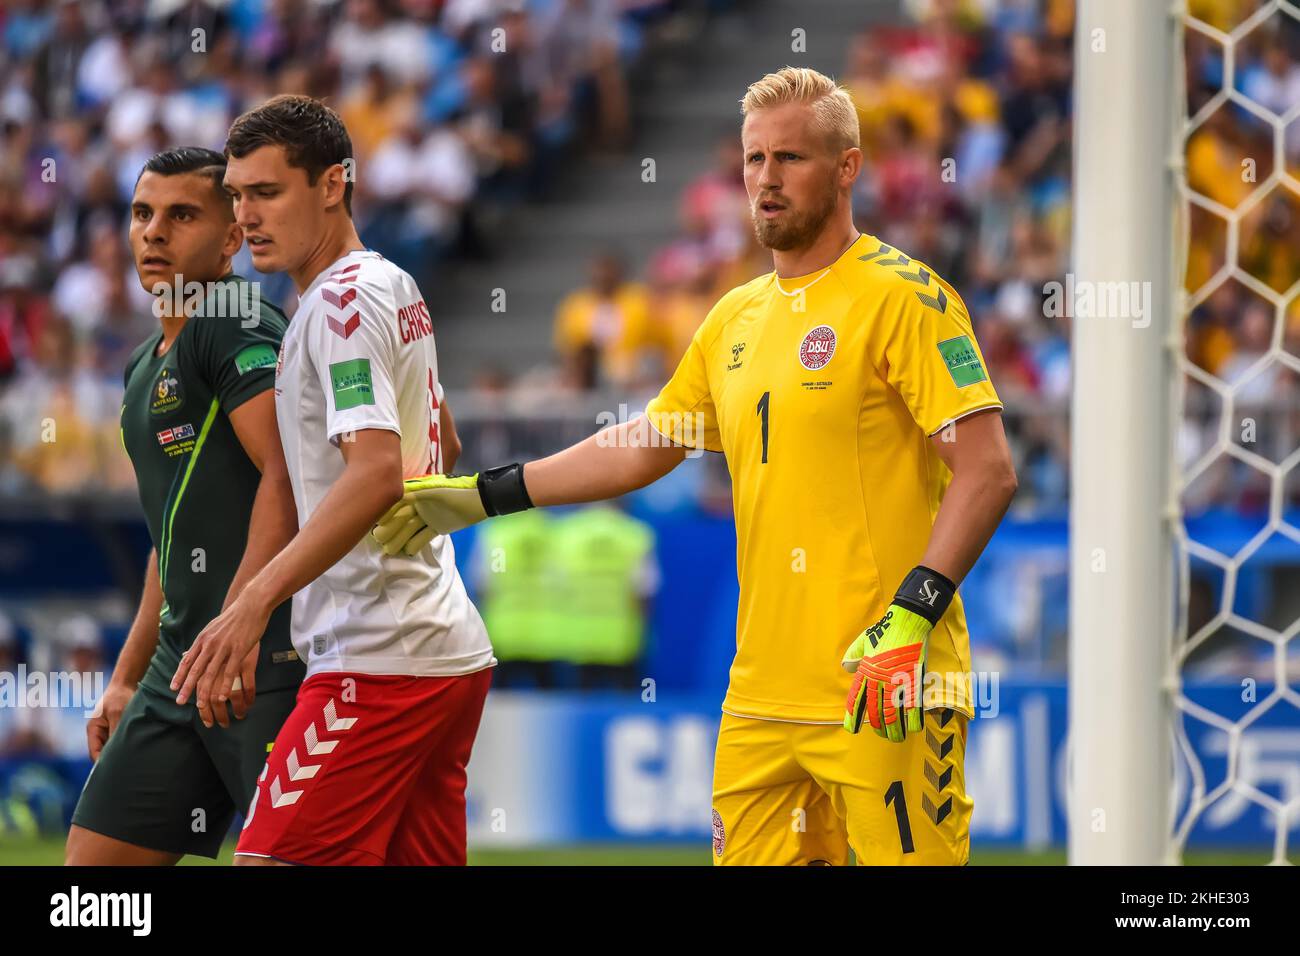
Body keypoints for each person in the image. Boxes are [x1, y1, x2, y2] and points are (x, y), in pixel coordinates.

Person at [375, 67, 1018, 865]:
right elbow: (649, 441)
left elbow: (987, 470)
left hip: (884, 681)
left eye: (791, 159)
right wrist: (486, 494)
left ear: (847, 167)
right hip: (760, 700)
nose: (766, 181)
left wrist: (912, 617)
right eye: (754, 161)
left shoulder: (906, 299)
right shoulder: (734, 317)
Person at [171, 95, 493, 866]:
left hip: (378, 660)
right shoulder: (391, 285)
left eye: (267, 192)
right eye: (238, 195)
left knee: (264, 861)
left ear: (332, 184)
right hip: (441, 649)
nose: (245, 215)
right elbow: (440, 440)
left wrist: (252, 605)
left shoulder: (340, 303)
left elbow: (377, 472)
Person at [66, 146, 304, 865]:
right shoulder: (143, 364)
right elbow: (170, 541)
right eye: (142, 214)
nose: (154, 232)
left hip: (265, 667)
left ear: (233, 237)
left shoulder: (231, 320)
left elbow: (287, 475)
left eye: (181, 215)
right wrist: (127, 677)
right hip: (182, 669)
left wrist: (242, 621)